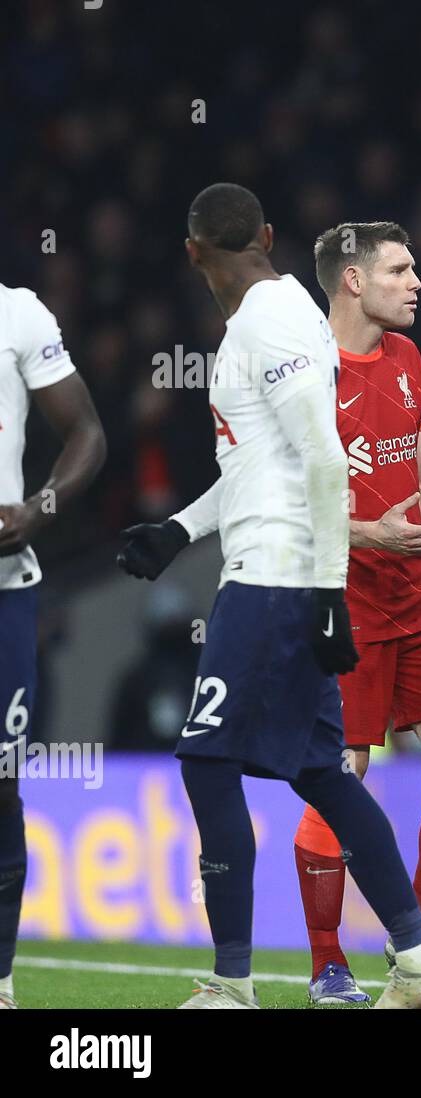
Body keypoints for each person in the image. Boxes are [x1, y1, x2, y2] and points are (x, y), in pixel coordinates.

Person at [117, 183, 421, 1009]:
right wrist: (180, 529)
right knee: (326, 774)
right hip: (279, 569)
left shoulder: (270, 320)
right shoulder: (283, 316)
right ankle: (418, 964)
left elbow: (323, 458)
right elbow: (261, 468)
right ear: (267, 235)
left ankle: (233, 985)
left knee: (207, 762)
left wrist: (325, 593)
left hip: (275, 581)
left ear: (194, 252)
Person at [291, 220, 421, 1005]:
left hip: (416, 592)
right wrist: (367, 531)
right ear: (352, 279)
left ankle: (417, 936)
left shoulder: (405, 357)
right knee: (343, 773)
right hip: (342, 596)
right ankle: (324, 963)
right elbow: (277, 500)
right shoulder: (304, 370)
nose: (416, 282)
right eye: (400, 269)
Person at [0, 282, 106, 1009]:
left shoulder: (18, 312)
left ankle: (1, 980)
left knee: (2, 789)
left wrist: (36, 510)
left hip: (5, 589)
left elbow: (88, 435)